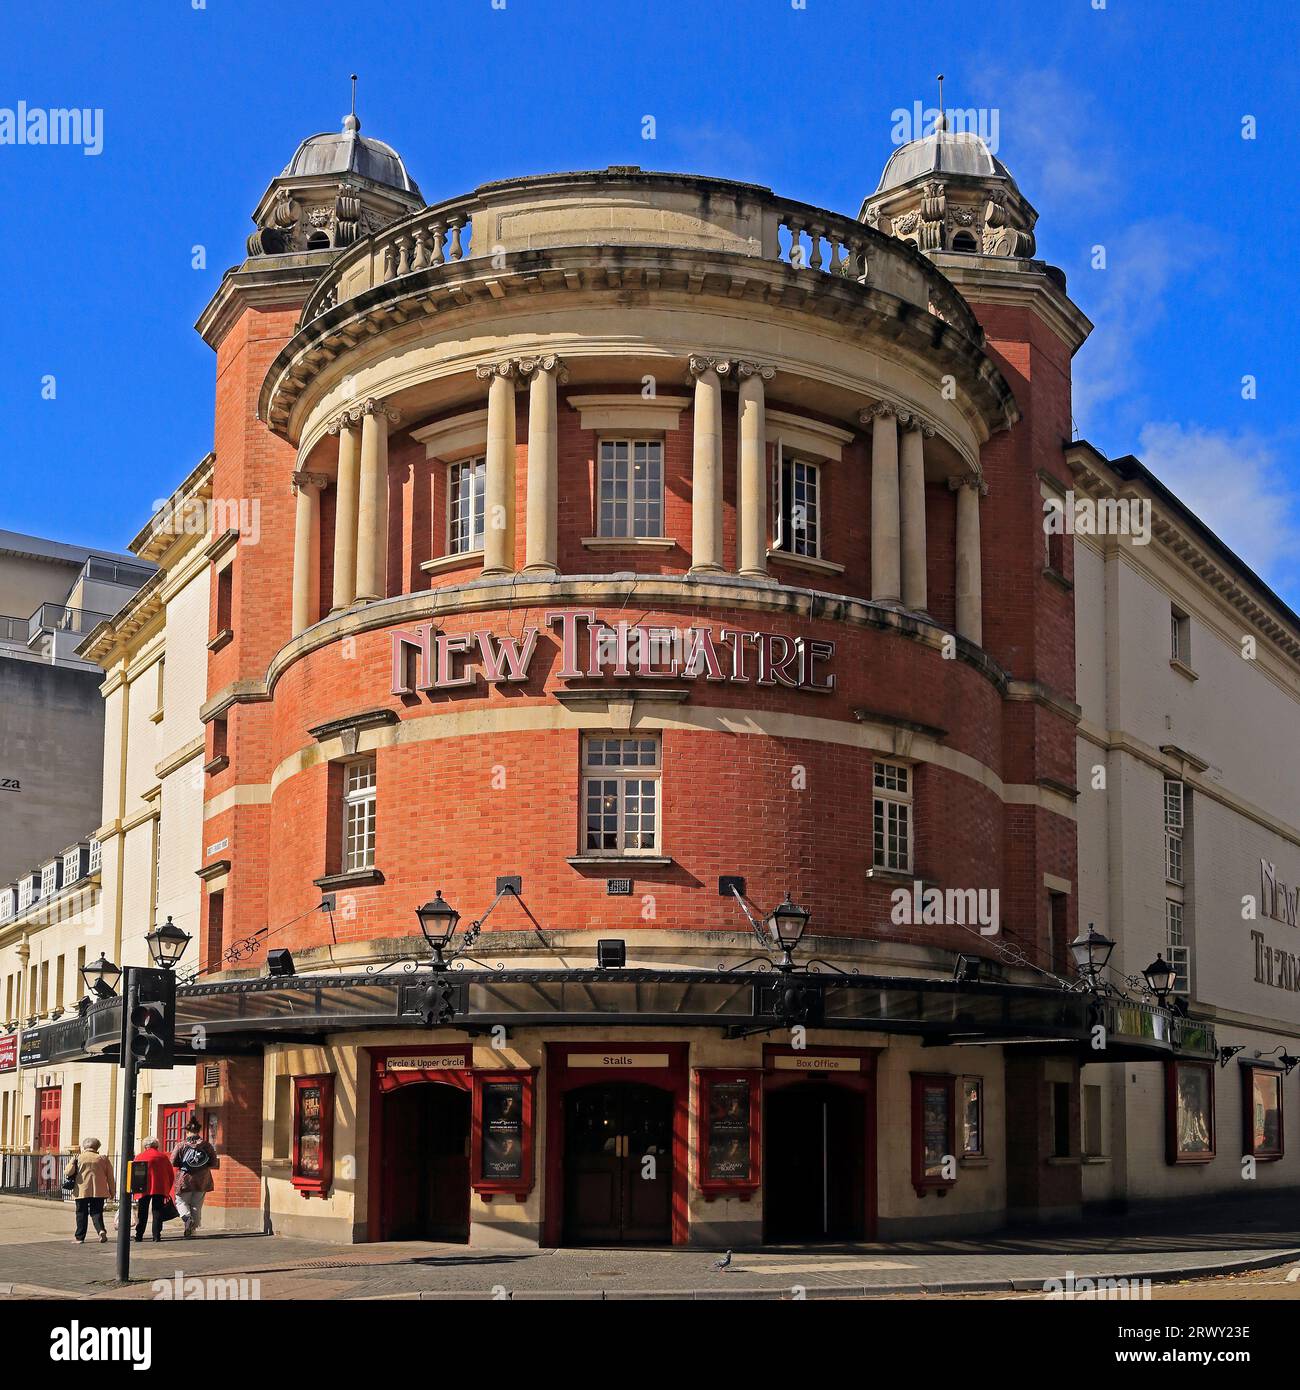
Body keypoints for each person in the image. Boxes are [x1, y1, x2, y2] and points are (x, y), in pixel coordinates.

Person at [170, 1118, 219, 1237]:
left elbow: (172, 1161)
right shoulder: (206, 1145)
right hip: (202, 1179)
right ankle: (193, 1231)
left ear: (187, 1132)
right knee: (196, 1205)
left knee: (181, 1201)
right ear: (199, 1131)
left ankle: (187, 1219)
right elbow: (213, 1162)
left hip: (185, 1178)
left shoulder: (181, 1145)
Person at [64, 1138, 115, 1245]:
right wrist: (112, 1192)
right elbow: (110, 1177)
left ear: (84, 1147)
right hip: (99, 1191)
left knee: (81, 1213)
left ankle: (80, 1237)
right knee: (97, 1212)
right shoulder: (103, 1158)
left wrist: (72, 1162)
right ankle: (101, 1230)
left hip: (82, 1190)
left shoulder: (79, 1158)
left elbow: (68, 1172)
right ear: (97, 1147)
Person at [131, 1138, 175, 1243]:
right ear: (157, 1146)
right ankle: (156, 1235)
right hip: (159, 1187)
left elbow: (135, 1174)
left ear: (145, 1146)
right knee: (157, 1211)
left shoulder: (140, 1156)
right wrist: (168, 1188)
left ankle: (139, 1235)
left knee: (142, 1211)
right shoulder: (163, 1157)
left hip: (143, 1187)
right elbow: (170, 1174)